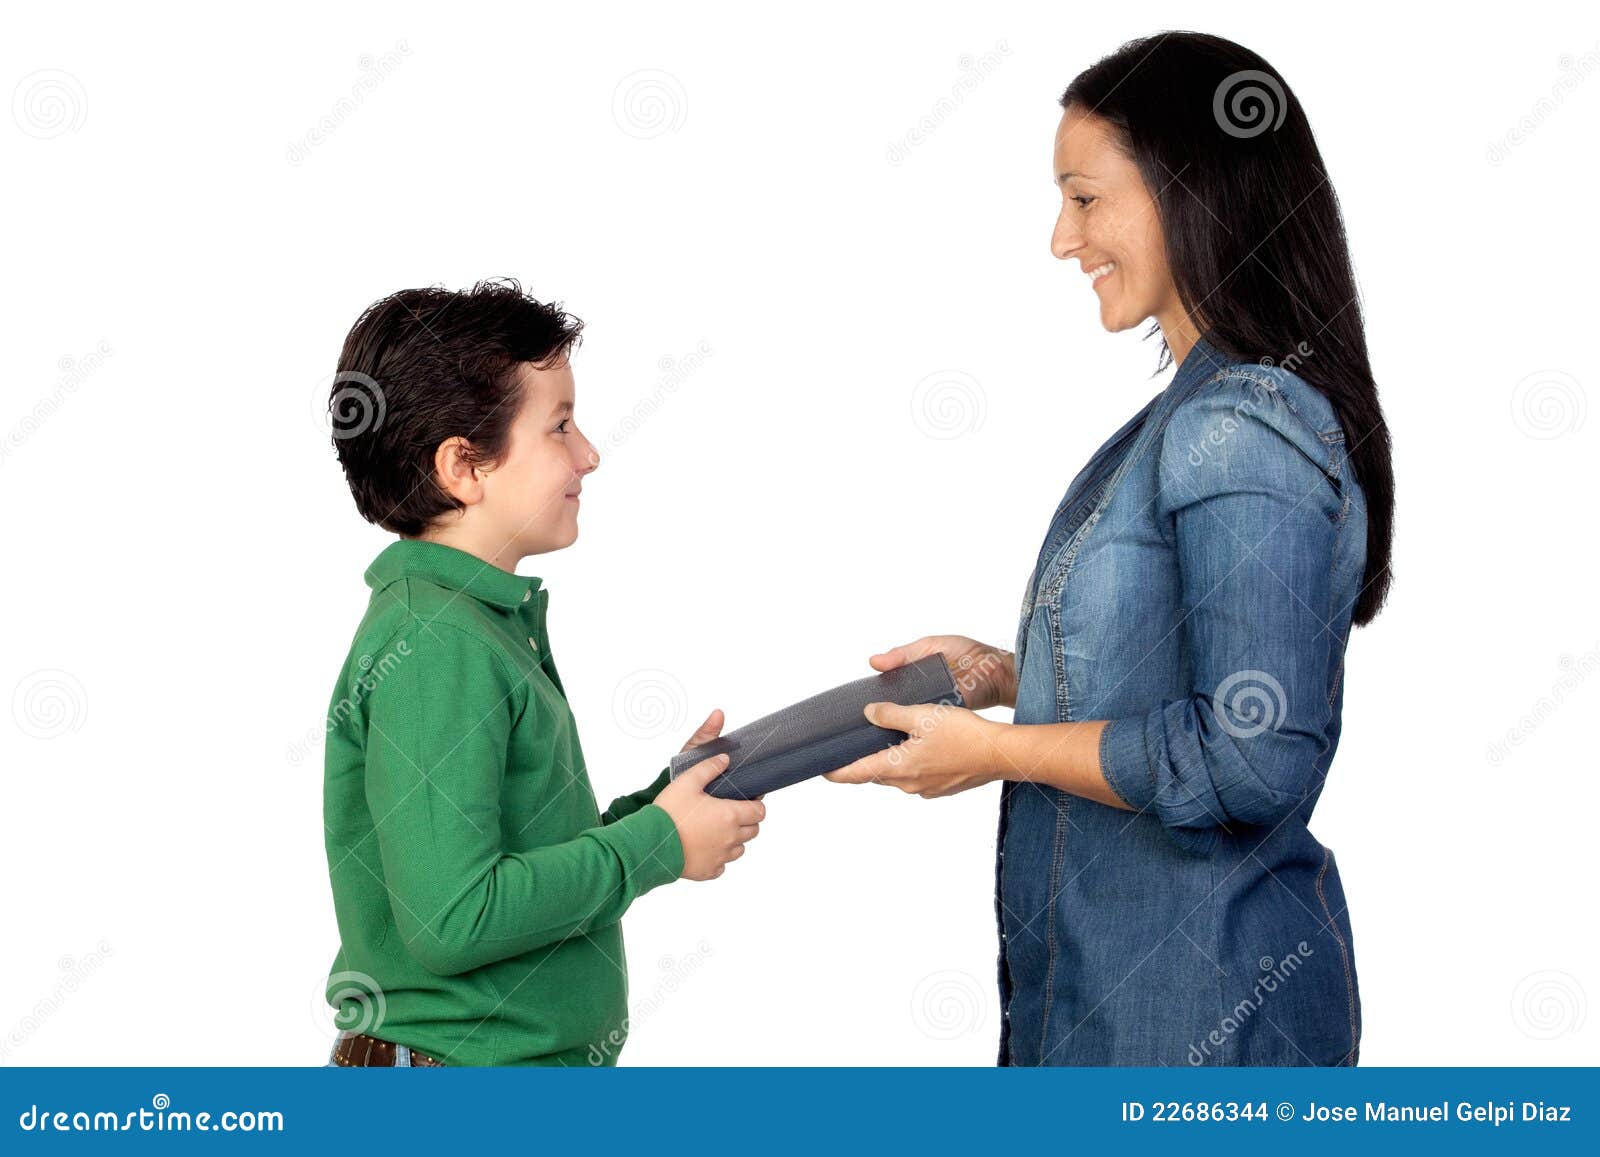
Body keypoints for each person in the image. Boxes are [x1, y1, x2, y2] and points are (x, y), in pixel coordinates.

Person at [827, 32, 1393, 1067]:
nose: (1061, 239)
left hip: (1204, 1028)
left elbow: (1252, 753)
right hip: (1111, 1009)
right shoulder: (1189, 417)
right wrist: (1010, 675)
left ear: (1191, 192)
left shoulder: (1241, 423)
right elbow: (1184, 672)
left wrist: (993, 750)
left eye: (1085, 198)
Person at [319, 280, 763, 1066]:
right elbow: (454, 916)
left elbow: (520, 862)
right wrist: (657, 843)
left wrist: (660, 806)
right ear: (463, 467)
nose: (589, 452)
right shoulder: (435, 642)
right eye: (559, 425)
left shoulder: (475, 623)